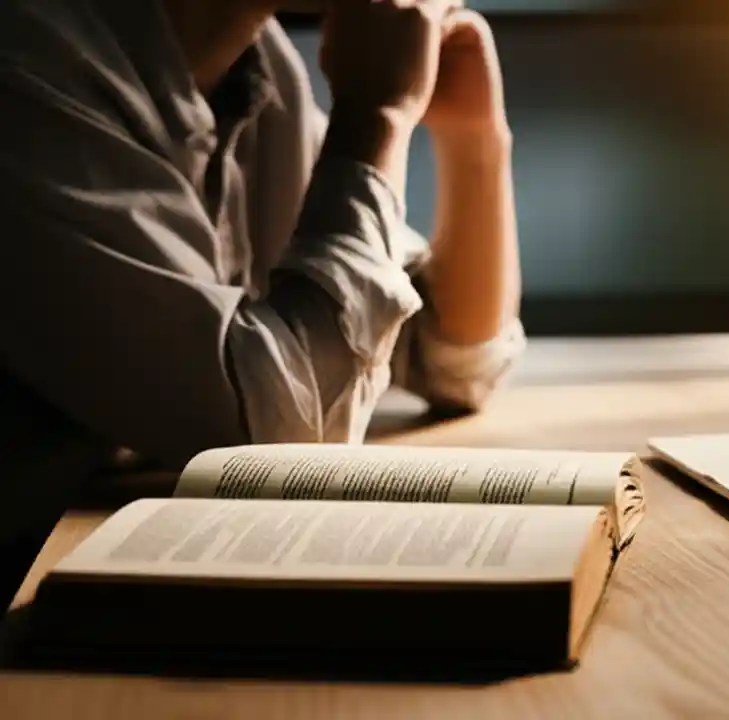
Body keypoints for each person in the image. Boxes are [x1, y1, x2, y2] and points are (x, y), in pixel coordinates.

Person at [0, 0, 524, 608]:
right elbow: (280, 445)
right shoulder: (29, 65)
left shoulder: (258, 67)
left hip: (132, 576)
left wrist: (475, 141)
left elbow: (442, 354)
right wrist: (376, 116)